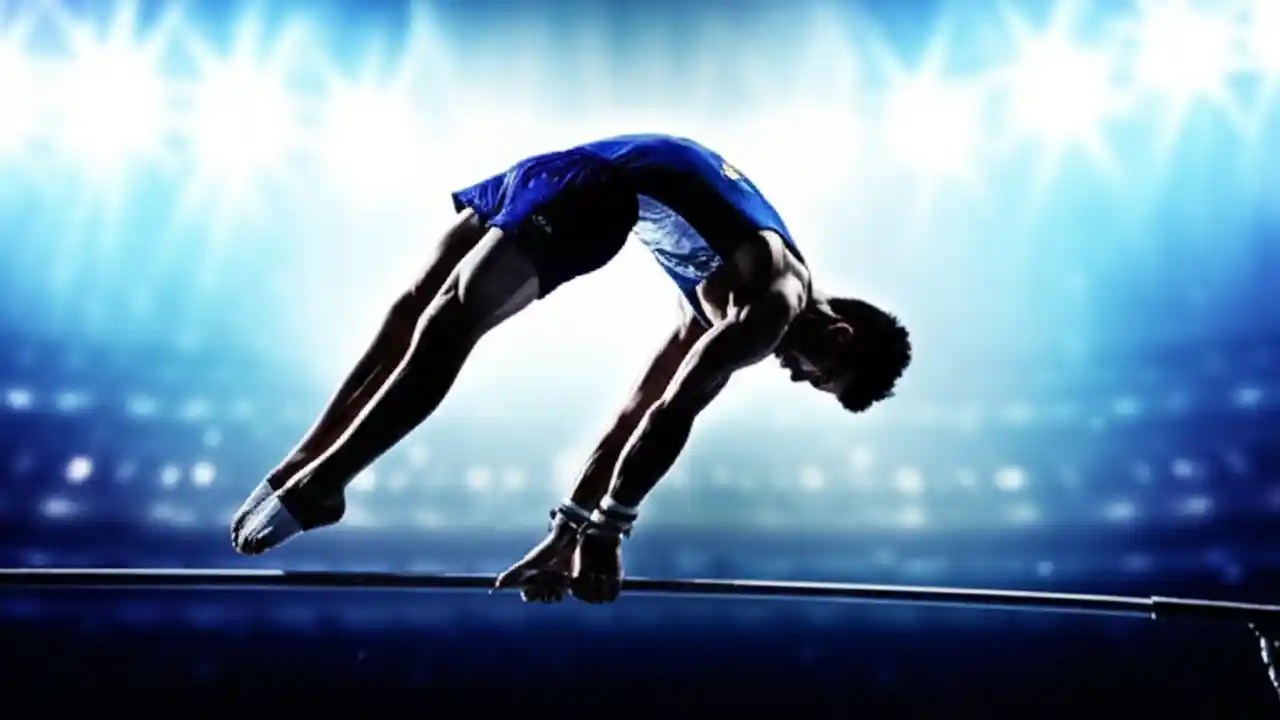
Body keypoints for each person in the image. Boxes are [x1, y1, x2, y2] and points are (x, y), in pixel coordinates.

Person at [230, 133, 912, 604]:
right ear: (842, 336)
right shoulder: (769, 309)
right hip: (592, 184)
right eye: (817, 375)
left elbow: (631, 418)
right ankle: (314, 474)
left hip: (578, 172)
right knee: (426, 313)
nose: (794, 375)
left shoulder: (728, 300)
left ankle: (311, 472)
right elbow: (671, 417)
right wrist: (608, 535)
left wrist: (567, 536)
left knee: (433, 314)